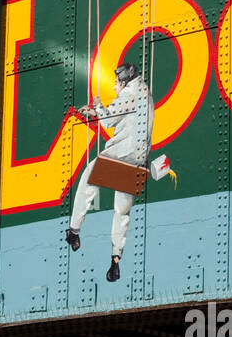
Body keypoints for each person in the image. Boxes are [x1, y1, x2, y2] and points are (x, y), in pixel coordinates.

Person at [66, 62, 175, 282]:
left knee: (87, 182)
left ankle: (73, 231)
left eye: (116, 82)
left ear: (124, 81)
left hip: (119, 157)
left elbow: (107, 121)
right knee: (122, 212)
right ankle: (115, 260)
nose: (115, 86)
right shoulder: (145, 92)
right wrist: (96, 111)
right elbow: (127, 117)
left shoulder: (129, 93)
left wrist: (97, 105)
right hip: (138, 162)